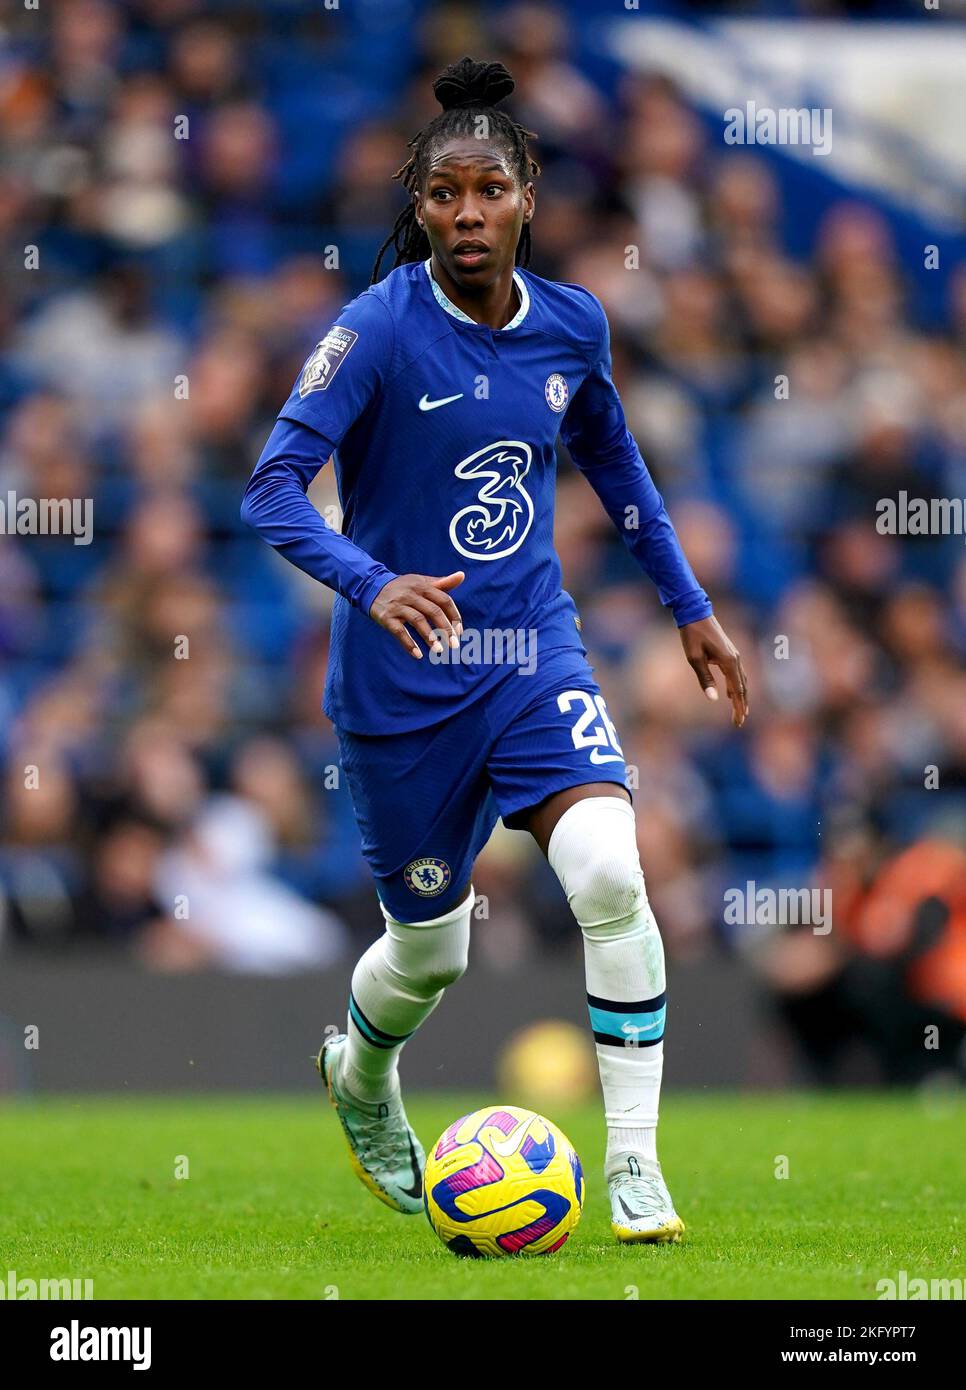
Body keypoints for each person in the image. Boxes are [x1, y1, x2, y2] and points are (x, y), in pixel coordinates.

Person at [241, 57, 749, 1246]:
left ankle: (633, 1165)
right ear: (418, 207)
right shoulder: (372, 330)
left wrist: (688, 603)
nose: (466, 213)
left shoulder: (573, 323)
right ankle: (361, 1074)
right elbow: (268, 490)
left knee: (614, 876)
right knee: (430, 953)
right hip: (400, 689)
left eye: (489, 190)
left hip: (532, 653)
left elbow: (615, 466)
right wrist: (372, 582)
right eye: (443, 195)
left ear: (528, 195)